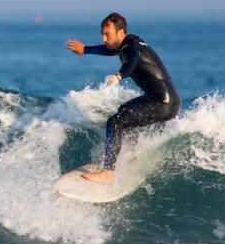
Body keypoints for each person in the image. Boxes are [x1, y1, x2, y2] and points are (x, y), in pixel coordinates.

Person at [65, 13, 179, 183]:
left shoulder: (130, 48)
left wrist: (120, 75)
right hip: (165, 100)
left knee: (114, 122)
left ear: (120, 33)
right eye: (102, 34)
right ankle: (131, 159)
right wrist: (86, 50)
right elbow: (110, 50)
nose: (104, 39)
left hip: (162, 102)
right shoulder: (132, 42)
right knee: (125, 112)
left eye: (107, 34)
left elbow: (131, 61)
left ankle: (107, 173)